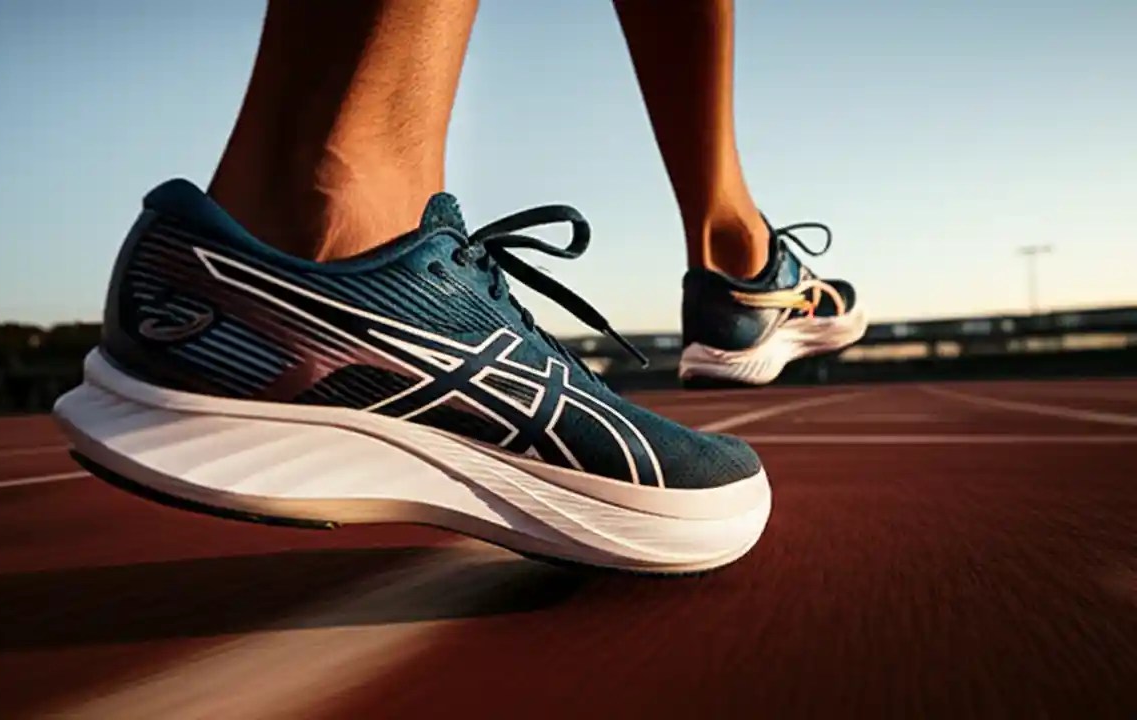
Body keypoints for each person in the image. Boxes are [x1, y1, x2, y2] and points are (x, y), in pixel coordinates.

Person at [55, 0, 862, 575]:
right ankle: (342, 232)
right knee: (339, 189)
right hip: (304, 290)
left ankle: (736, 250)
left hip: (210, 289)